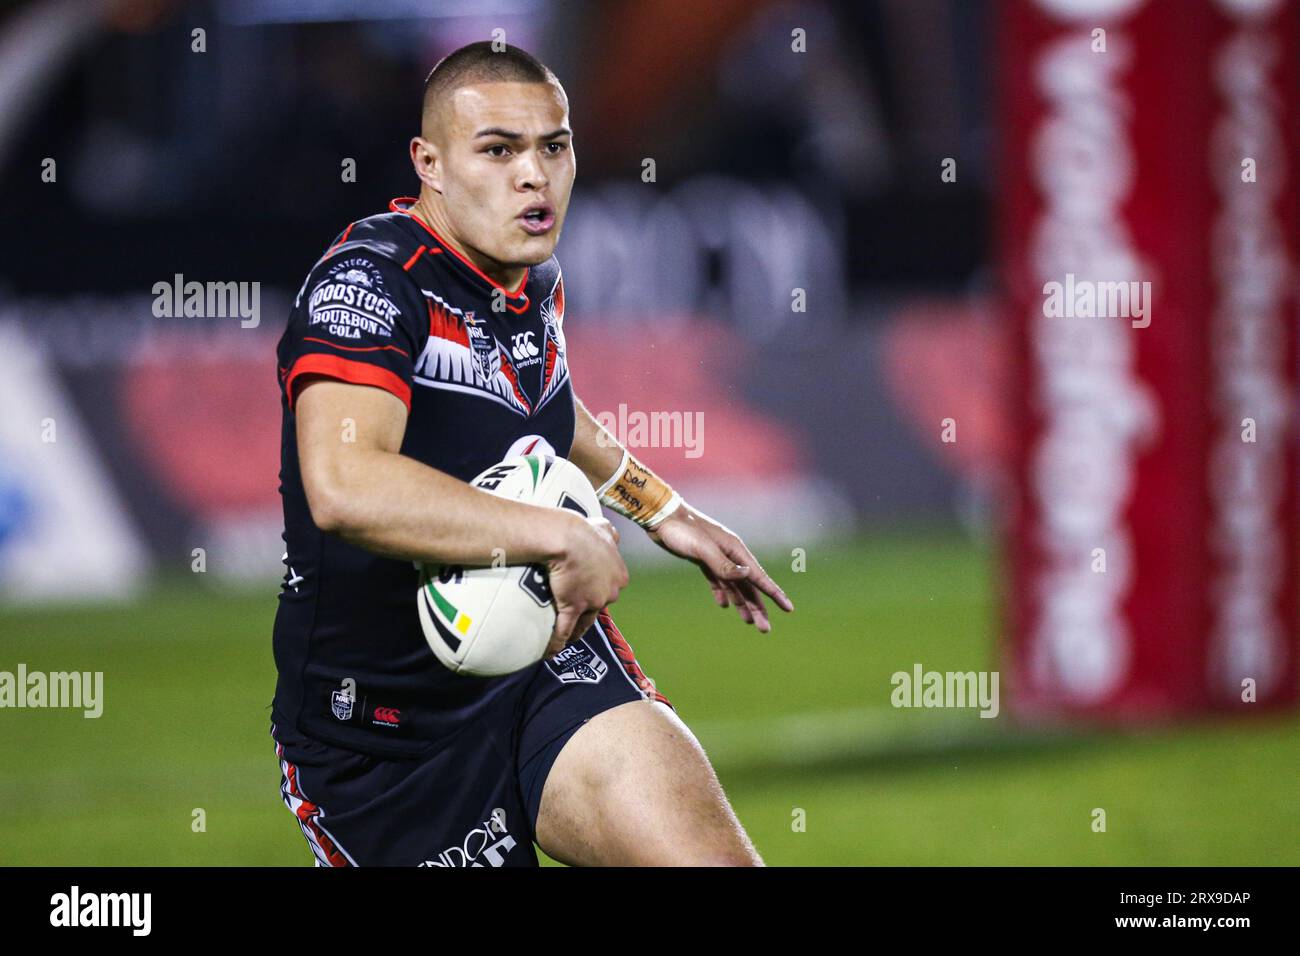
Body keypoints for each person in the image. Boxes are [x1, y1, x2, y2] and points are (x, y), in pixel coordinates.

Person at [270, 40, 792, 867]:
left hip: (545, 666)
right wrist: (559, 536)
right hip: (382, 737)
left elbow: (542, 406)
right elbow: (344, 483)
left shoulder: (532, 277)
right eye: (499, 149)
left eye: (554, 145)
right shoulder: (367, 287)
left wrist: (663, 510)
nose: (534, 175)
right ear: (429, 164)